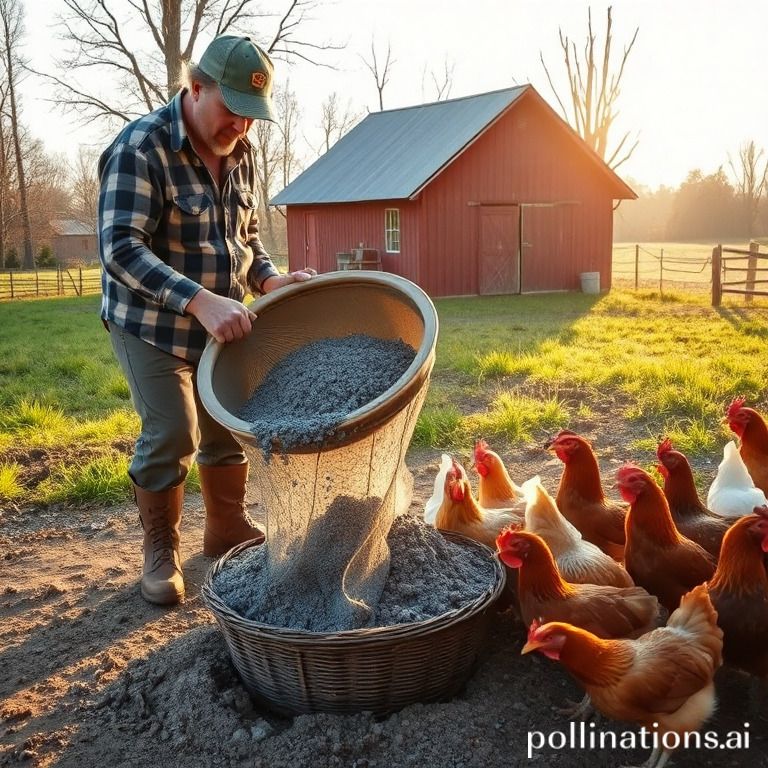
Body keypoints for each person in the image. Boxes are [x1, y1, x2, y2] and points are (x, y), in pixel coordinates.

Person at [97, 34, 316, 607]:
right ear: (195, 88)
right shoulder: (141, 149)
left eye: (251, 117)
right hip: (150, 322)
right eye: (232, 111)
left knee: (228, 426)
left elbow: (242, 238)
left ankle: (225, 528)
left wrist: (269, 279)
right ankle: (160, 550)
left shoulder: (238, 152)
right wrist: (199, 300)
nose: (241, 127)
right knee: (174, 430)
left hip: (222, 322)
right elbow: (120, 248)